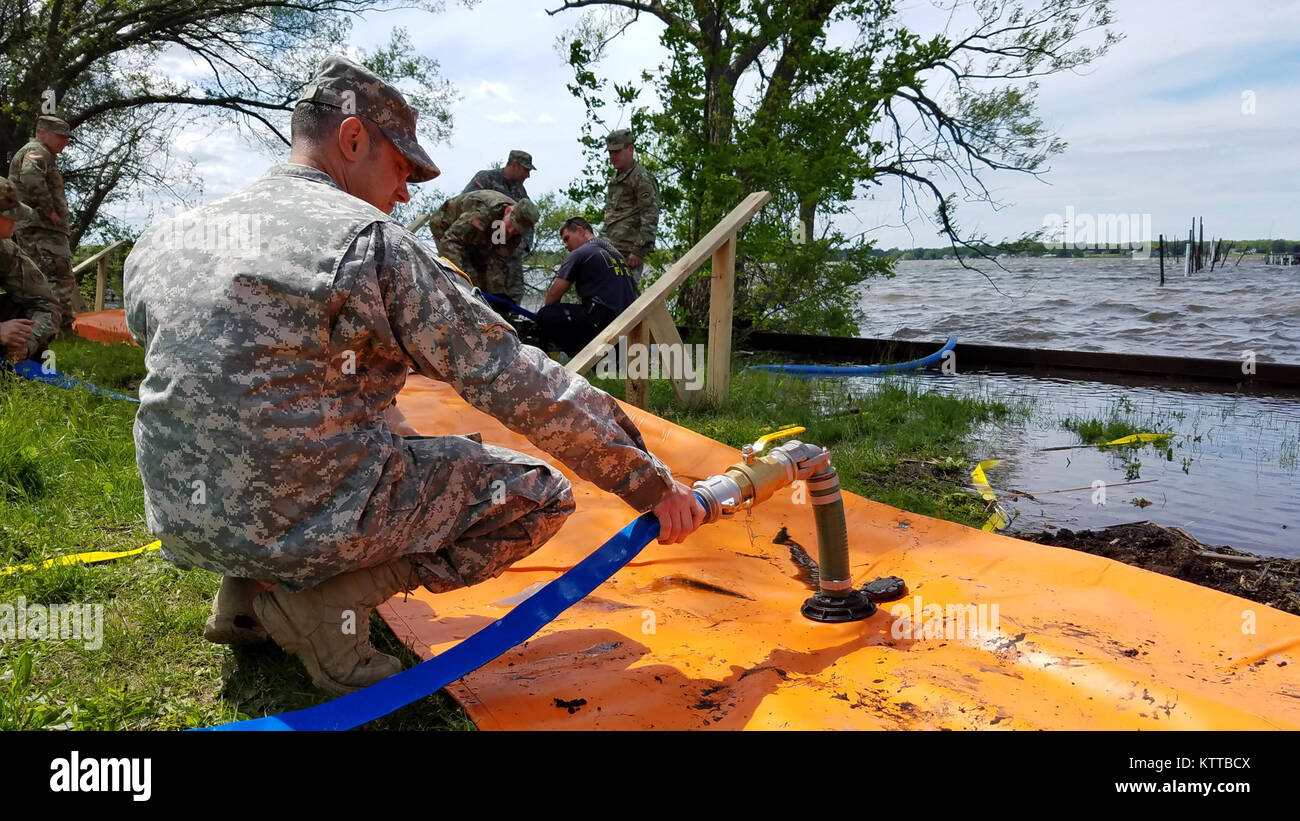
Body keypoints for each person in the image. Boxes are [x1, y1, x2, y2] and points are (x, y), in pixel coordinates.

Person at [122, 56, 704, 695]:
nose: (406, 193)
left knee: (277, 449)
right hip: (289, 516)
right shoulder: (369, 241)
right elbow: (517, 381)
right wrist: (650, 484)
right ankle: (322, 603)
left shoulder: (166, 237)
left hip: (181, 518)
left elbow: (218, 374)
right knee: (537, 493)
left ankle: (241, 595)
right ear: (352, 139)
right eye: (400, 168)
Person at [8, 115, 87, 330]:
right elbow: (30, 175)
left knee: (53, 275)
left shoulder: (43, 153)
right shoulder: (38, 150)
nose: (65, 142)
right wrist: (49, 211)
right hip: (40, 229)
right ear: (43, 133)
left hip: (39, 228)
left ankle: (56, 327)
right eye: (60, 137)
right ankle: (58, 328)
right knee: (55, 276)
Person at [537, 217, 637, 357]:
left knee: (545, 315)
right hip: (629, 325)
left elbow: (553, 297)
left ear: (580, 230)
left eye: (567, 239)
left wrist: (541, 320)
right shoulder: (614, 253)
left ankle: (585, 359)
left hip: (603, 325)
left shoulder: (580, 253)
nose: (565, 245)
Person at [428, 189, 538, 301]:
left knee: (481, 282)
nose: (511, 231)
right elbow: (451, 241)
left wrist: (497, 294)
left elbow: (498, 259)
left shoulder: (515, 232)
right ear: (508, 211)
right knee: (462, 280)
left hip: (478, 237)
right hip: (445, 224)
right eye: (511, 225)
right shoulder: (484, 211)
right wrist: (460, 280)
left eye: (516, 230)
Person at [0, 177, 59, 364]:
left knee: (21, 308)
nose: (16, 220)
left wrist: (27, 342)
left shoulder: (6, 251)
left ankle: (18, 371)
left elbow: (46, 304)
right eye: (8, 214)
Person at [463, 150, 535, 303]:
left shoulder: (520, 191)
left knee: (513, 291)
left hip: (508, 253)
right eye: (526, 170)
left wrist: (524, 244)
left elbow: (529, 220)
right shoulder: (486, 178)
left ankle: (511, 318)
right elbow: (467, 203)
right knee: (478, 289)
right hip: (480, 246)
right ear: (514, 165)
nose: (528, 175)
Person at [601, 129, 659, 286]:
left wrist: (639, 251)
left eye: (617, 151)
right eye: (610, 152)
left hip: (628, 253)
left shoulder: (642, 178)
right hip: (608, 249)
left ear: (630, 149)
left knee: (625, 297)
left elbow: (650, 216)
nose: (613, 156)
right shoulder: (616, 178)